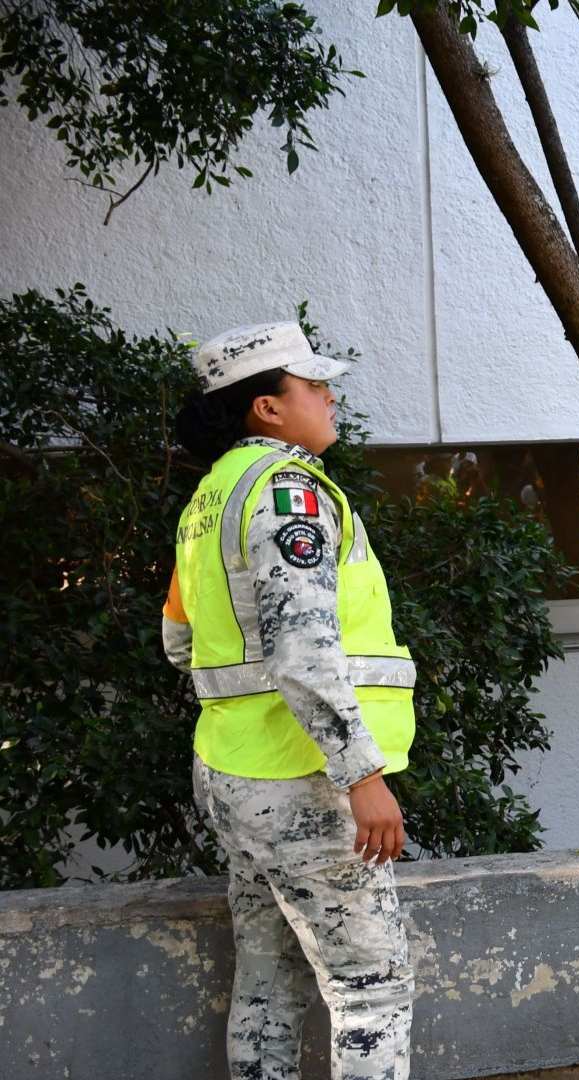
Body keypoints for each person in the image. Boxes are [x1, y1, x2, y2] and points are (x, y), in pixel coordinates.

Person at [163, 321, 417, 1080]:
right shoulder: (286, 492)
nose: (330, 397)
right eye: (313, 385)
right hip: (301, 776)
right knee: (371, 992)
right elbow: (303, 650)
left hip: (231, 772)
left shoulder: (208, 501)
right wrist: (360, 774)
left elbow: (178, 642)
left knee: (268, 985)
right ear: (267, 408)